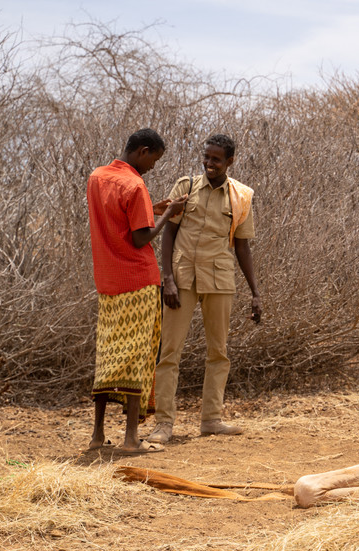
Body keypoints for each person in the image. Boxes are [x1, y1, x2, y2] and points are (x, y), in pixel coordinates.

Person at [146, 133, 262, 444]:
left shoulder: (240, 197)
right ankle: (163, 425)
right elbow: (169, 232)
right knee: (169, 352)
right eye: (206, 157)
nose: (209, 163)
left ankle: (212, 419)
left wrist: (255, 292)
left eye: (216, 159)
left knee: (219, 352)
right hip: (181, 279)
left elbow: (242, 246)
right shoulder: (185, 186)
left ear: (230, 162)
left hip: (220, 279)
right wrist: (166, 278)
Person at [86, 128, 187, 453]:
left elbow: (117, 219)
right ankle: (131, 439)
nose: (153, 167)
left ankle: (98, 436)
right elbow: (140, 239)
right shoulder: (134, 184)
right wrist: (169, 214)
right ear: (143, 151)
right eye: (154, 159)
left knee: (108, 356)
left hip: (108, 282)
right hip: (138, 282)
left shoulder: (97, 177)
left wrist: (151, 208)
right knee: (137, 358)